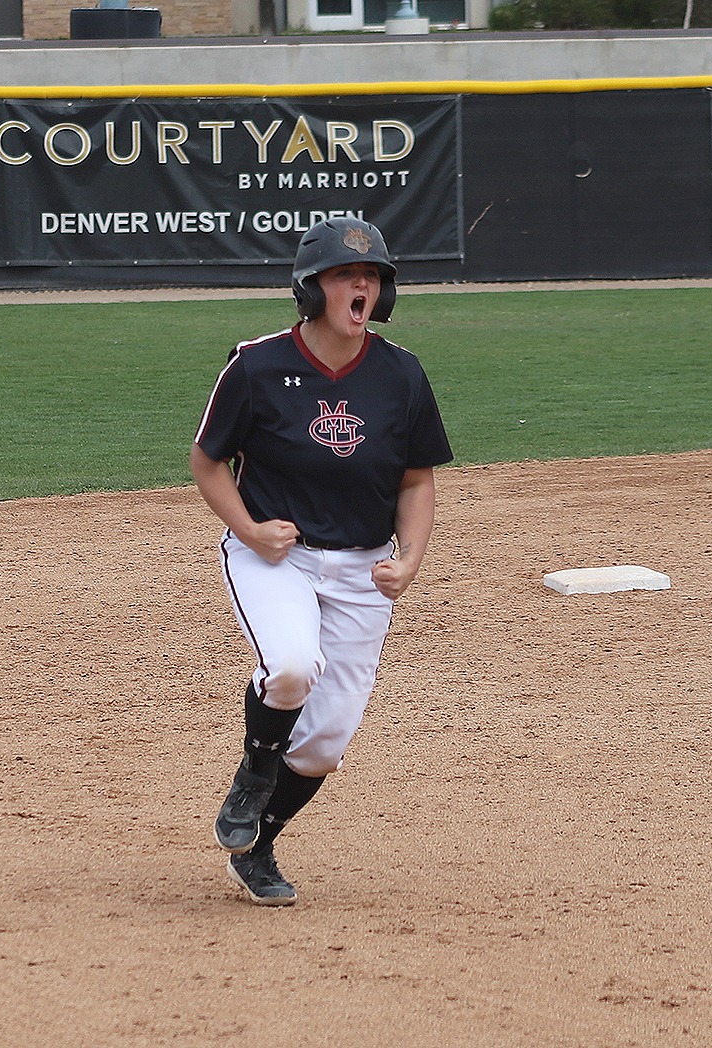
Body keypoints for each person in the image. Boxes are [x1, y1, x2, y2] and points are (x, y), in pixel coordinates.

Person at [191, 217, 453, 906]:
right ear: (311, 288)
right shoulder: (256, 366)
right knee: (290, 666)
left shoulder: (401, 374)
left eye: (370, 276)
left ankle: (259, 845)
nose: (359, 286)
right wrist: (249, 530)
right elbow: (207, 460)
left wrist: (411, 560)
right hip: (278, 557)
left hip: (364, 571)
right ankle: (253, 773)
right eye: (343, 275)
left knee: (325, 744)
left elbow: (416, 480)